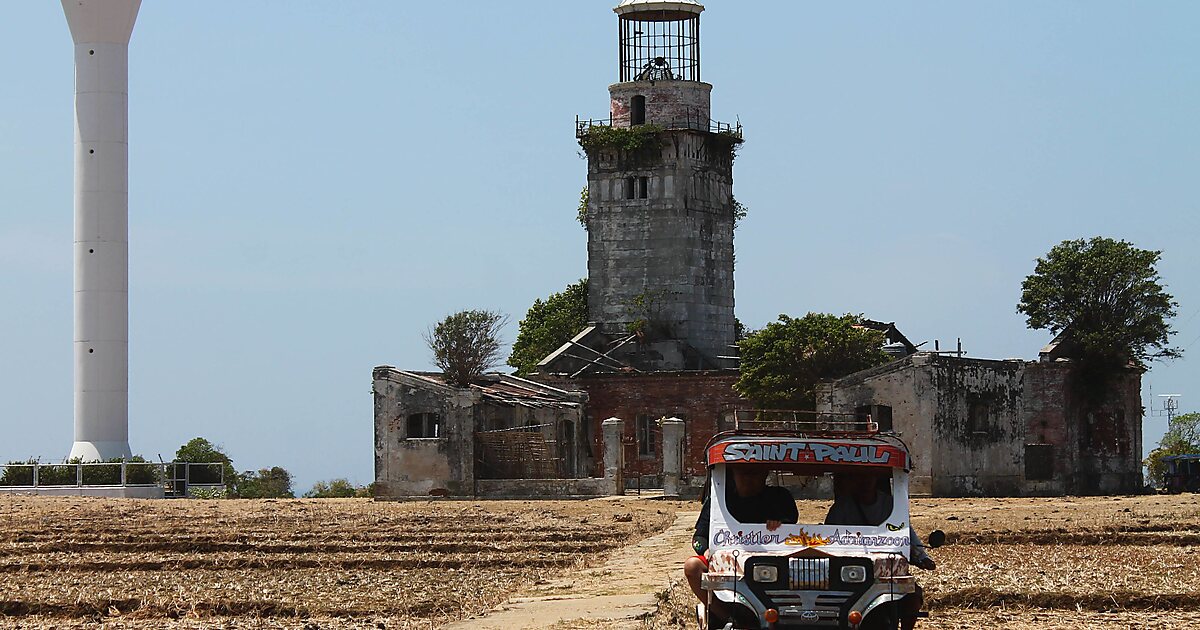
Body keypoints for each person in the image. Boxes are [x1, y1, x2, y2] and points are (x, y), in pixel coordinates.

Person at [826, 472, 935, 630]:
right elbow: (828, 537)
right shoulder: (842, 507)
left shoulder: (890, 505)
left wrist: (922, 557)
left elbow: (906, 532)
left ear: (876, 478)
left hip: (885, 574)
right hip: (848, 574)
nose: (865, 480)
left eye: (869, 476)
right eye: (861, 476)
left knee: (913, 597)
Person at [684, 467, 798, 608]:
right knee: (692, 567)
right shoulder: (718, 500)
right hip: (727, 563)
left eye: (754, 473)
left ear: (765, 473)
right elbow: (698, 539)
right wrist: (705, 551)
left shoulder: (780, 497)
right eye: (743, 473)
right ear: (733, 474)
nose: (749, 479)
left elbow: (792, 524)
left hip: (772, 563)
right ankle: (723, 616)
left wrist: (781, 525)